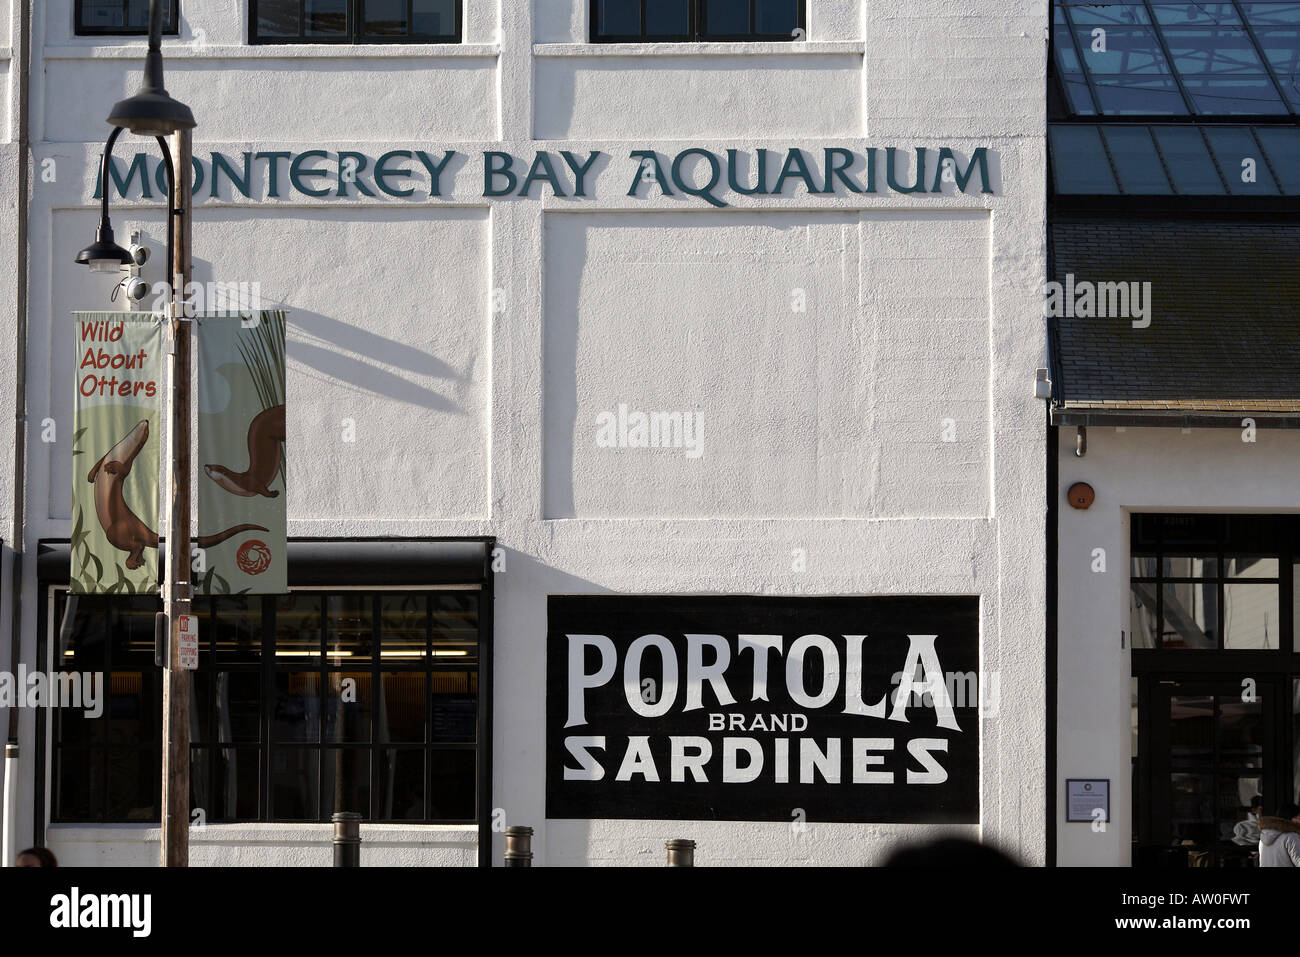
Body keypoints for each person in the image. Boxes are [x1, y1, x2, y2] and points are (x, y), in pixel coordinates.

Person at [1259, 802, 1300, 867]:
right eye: (1297, 817)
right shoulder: (1291, 837)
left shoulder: (1264, 836)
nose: (1299, 821)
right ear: (1288, 817)